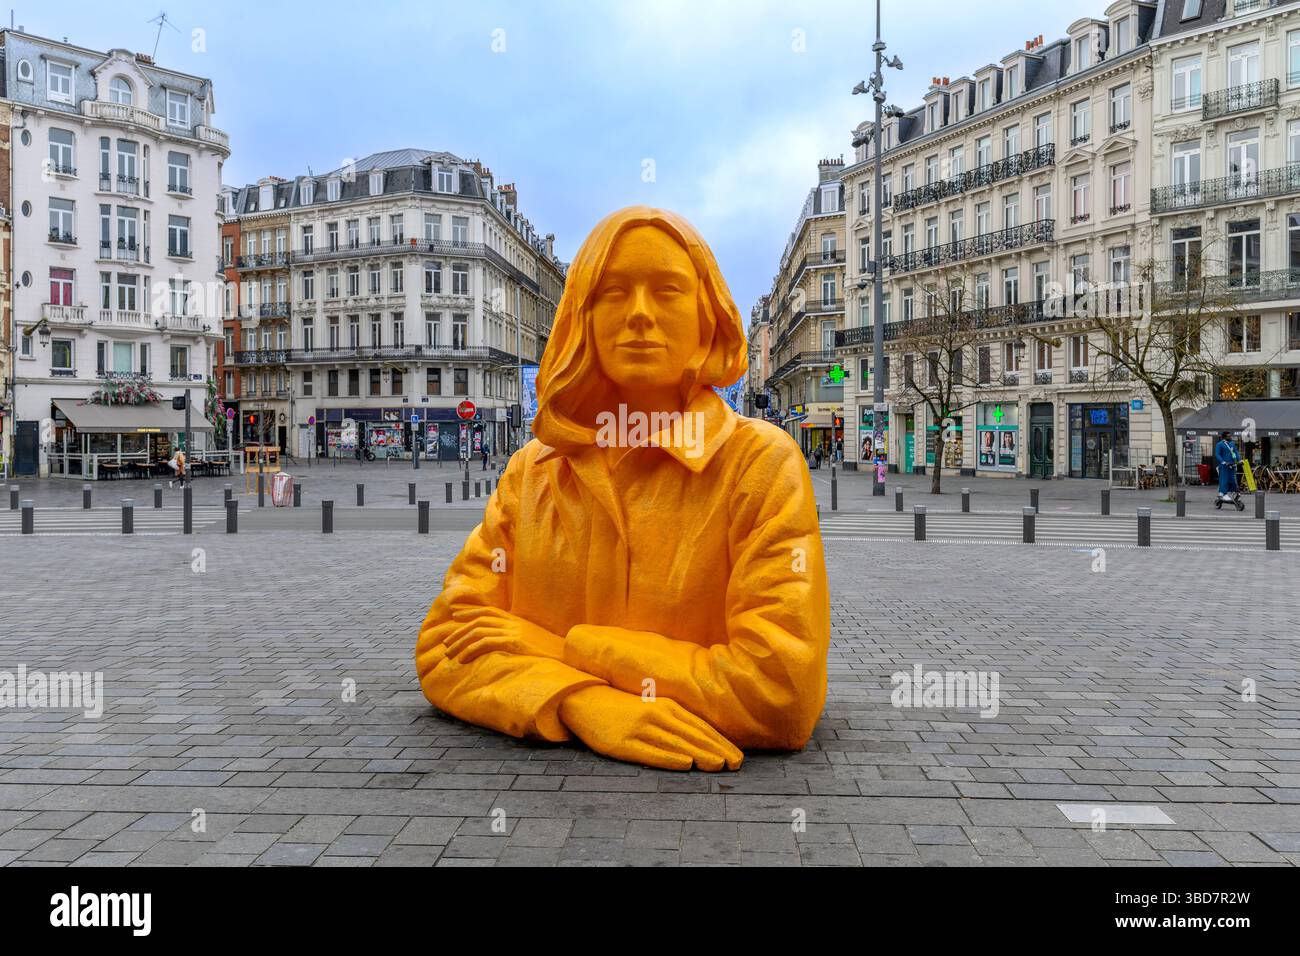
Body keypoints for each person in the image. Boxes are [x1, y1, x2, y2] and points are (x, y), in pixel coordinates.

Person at [415, 206, 830, 772]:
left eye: (666, 290)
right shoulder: (532, 471)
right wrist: (585, 702)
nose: (638, 314)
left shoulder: (759, 463)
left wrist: (559, 648)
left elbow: (780, 693)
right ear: (581, 315)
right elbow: (445, 644)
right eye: (613, 292)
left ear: (707, 315)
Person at [1215, 431, 1241, 500]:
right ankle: (1223, 493)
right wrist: (1223, 461)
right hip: (1224, 465)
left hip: (1232, 464)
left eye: (1230, 436)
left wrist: (1239, 460)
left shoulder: (1232, 444)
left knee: (1232, 479)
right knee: (1224, 479)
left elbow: (1236, 452)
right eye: (1228, 436)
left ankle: (1233, 492)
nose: (1230, 437)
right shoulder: (1219, 444)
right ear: (1224, 437)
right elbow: (1217, 454)